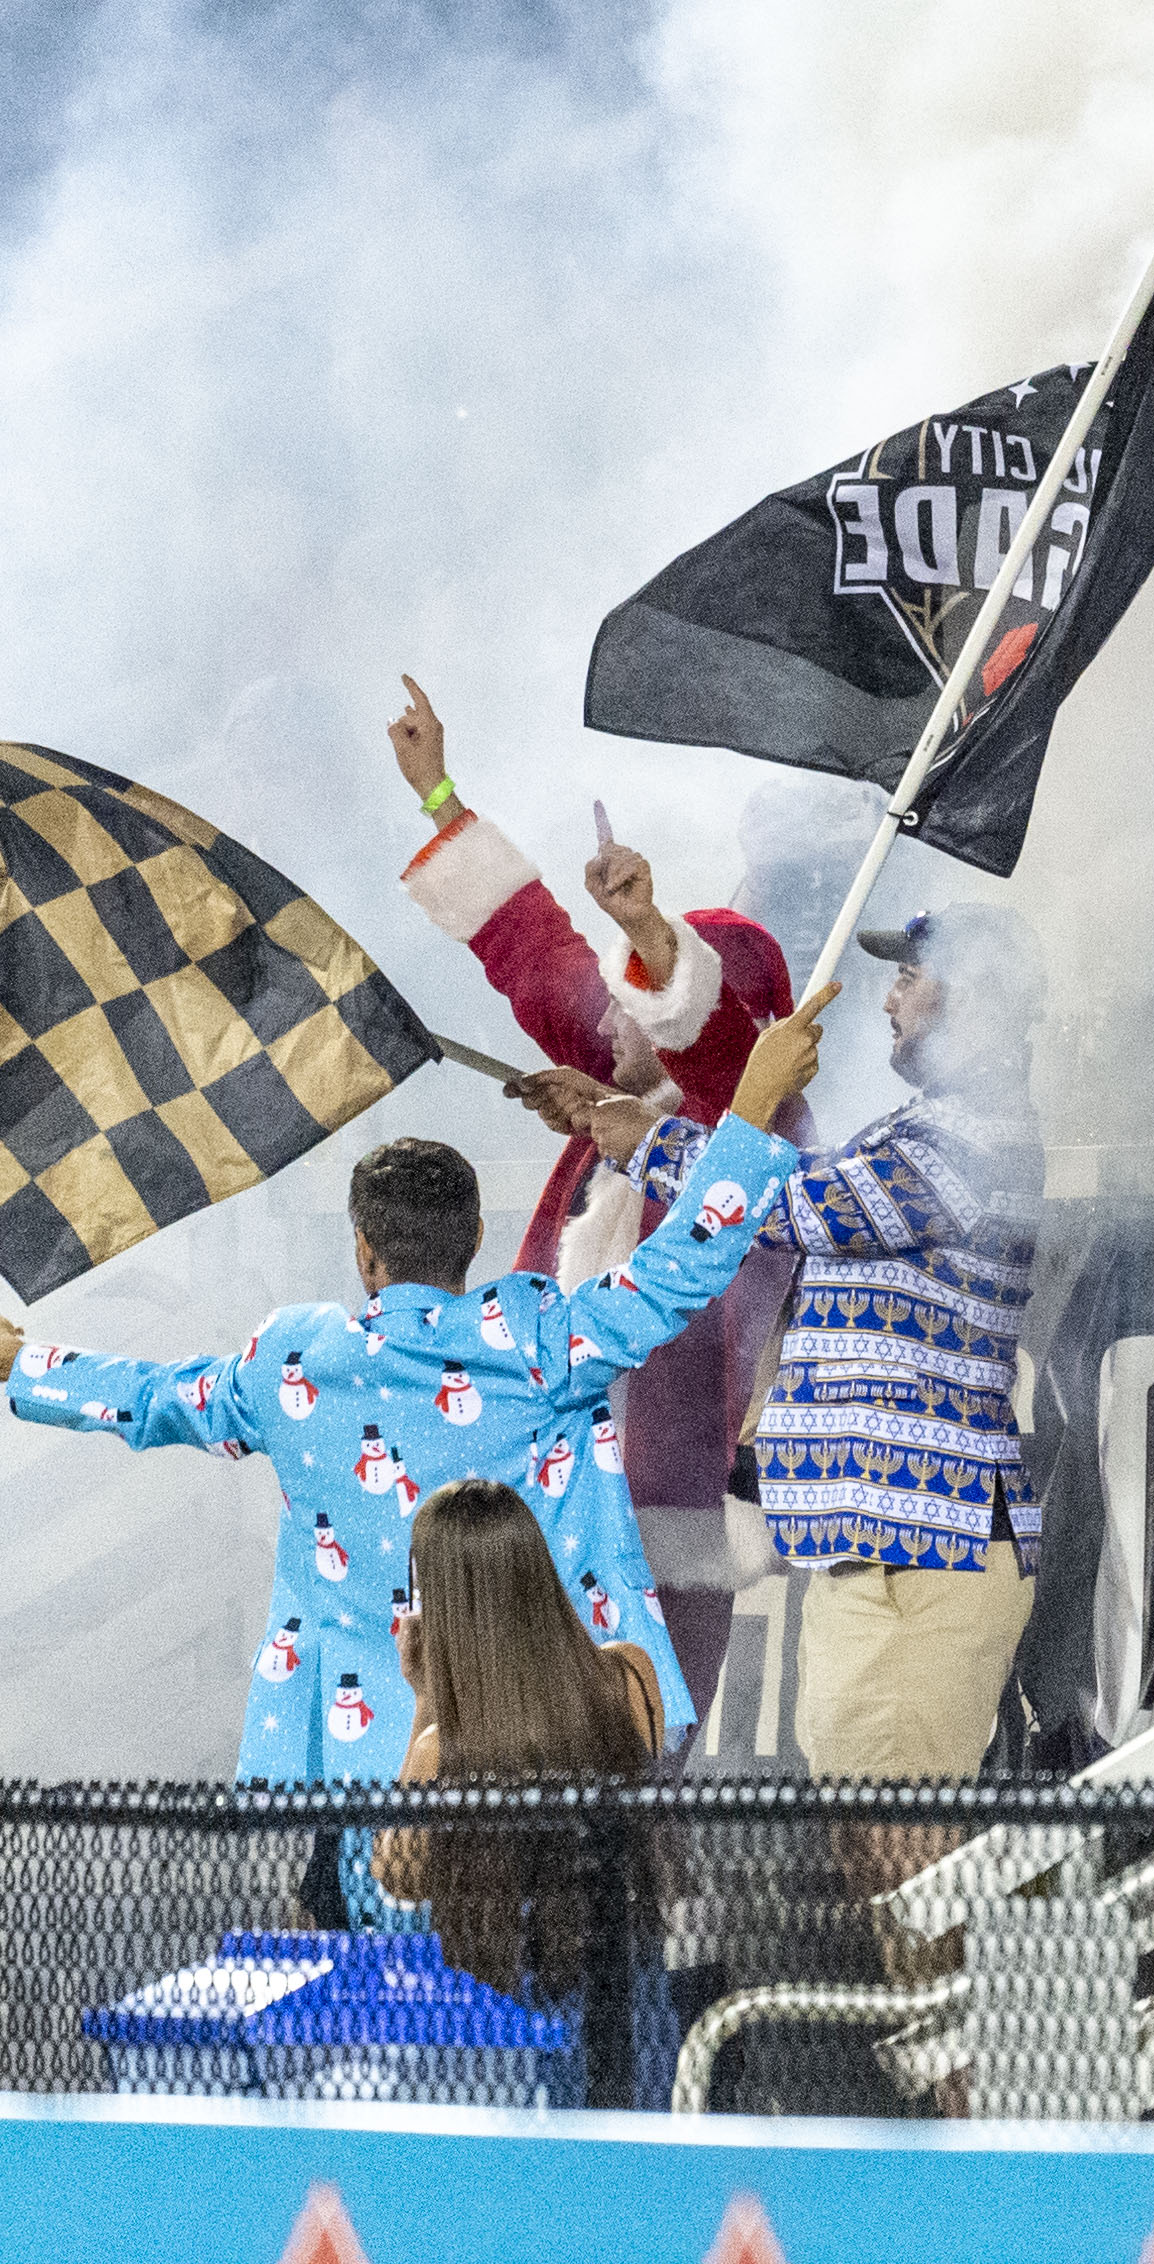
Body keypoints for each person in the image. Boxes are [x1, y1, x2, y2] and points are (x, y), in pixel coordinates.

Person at [0, 1011, 815, 1888]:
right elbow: (684, 1262)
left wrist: (16, 1363)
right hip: (551, 1764)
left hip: (363, 1784)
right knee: (554, 1990)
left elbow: (147, 1398)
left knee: (377, 2004)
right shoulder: (541, 1340)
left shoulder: (288, 1364)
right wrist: (752, 1101)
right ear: (476, 1240)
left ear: (364, 1252)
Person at [388, 681, 807, 1709]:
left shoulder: (751, 1135)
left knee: (648, 1747)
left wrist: (655, 931)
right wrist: (439, 793)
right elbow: (538, 961)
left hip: (668, 1507)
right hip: (563, 1490)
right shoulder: (623, 1104)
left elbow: (713, 1054)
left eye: (655, 996)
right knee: (540, 1736)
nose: (620, 1023)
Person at [590, 908, 1045, 1784]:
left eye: (910, 978)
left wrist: (648, 1144)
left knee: (903, 1846)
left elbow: (798, 1207)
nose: (890, 1000)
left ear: (977, 1000)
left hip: (935, 1551)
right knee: (862, 1826)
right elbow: (799, 1188)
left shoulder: (979, 1136)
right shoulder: (916, 1127)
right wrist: (633, 1133)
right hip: (869, 1541)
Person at [364, 1479, 675, 2088]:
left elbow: (393, 1880)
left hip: (510, 2040)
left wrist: (426, 1703)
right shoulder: (631, 1677)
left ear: (440, 1603)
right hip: (636, 2013)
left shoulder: (442, 1753)